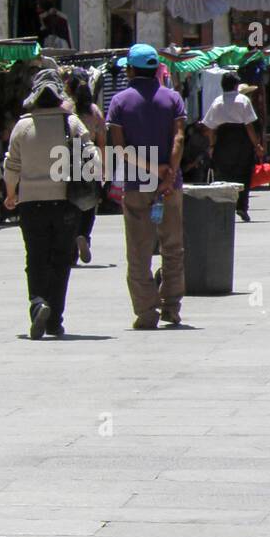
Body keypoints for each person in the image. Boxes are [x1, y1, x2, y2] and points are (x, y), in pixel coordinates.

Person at [3, 69, 100, 339]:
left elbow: (11, 166)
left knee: (35, 257)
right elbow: (95, 161)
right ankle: (55, 320)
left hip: (31, 204)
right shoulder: (72, 124)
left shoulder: (23, 126)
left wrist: (11, 194)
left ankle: (38, 303)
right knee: (60, 260)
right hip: (65, 204)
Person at [105, 44, 187, 329]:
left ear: (130, 69)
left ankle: (146, 312)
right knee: (173, 248)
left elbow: (121, 149)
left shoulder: (119, 102)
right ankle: (172, 308)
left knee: (139, 253)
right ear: (156, 70)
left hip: (137, 186)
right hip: (170, 188)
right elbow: (179, 139)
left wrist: (153, 169)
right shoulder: (173, 98)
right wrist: (168, 174)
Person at [202, 73, 262, 223]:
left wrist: (211, 145)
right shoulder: (243, 100)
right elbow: (249, 126)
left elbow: (210, 127)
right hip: (242, 141)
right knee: (244, 175)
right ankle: (242, 206)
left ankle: (224, 208)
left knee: (224, 175)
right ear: (236, 86)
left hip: (223, 141)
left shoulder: (217, 102)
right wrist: (257, 145)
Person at [63, 68, 106, 264]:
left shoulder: (65, 108)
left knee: (69, 202)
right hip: (91, 156)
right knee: (91, 202)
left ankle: (71, 246)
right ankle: (84, 236)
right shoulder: (94, 111)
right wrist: (104, 167)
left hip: (68, 158)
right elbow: (103, 141)